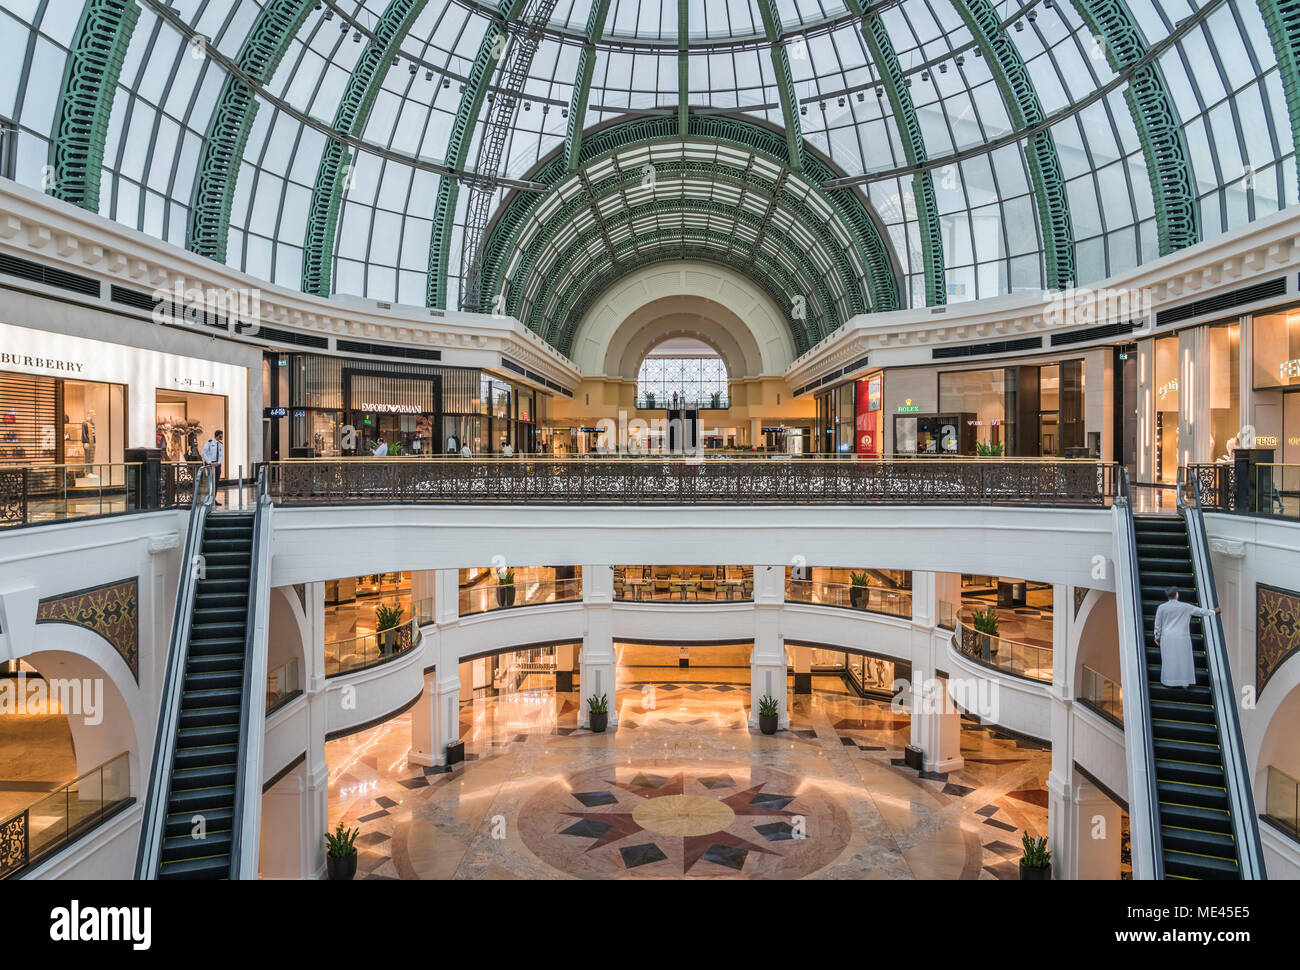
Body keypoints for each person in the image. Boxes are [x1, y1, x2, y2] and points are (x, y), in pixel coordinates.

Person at [1152, 586, 1221, 687]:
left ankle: (1168, 681)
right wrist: (1214, 611)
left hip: (1167, 637)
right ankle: (1184, 682)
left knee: (1168, 659)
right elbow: (1201, 612)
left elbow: (1157, 624)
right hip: (1182, 637)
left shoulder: (1161, 608)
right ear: (1177, 595)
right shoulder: (1186, 606)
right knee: (1183, 659)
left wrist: (1157, 636)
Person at [201, 430, 224, 507]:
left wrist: (218, 462)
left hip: (217, 465)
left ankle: (214, 499)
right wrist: (210, 462)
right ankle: (208, 499)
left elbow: (221, 455)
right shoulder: (209, 443)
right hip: (210, 465)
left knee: (216, 482)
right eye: (221, 435)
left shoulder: (220, 444)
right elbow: (203, 453)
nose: (222, 437)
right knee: (210, 482)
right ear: (217, 436)